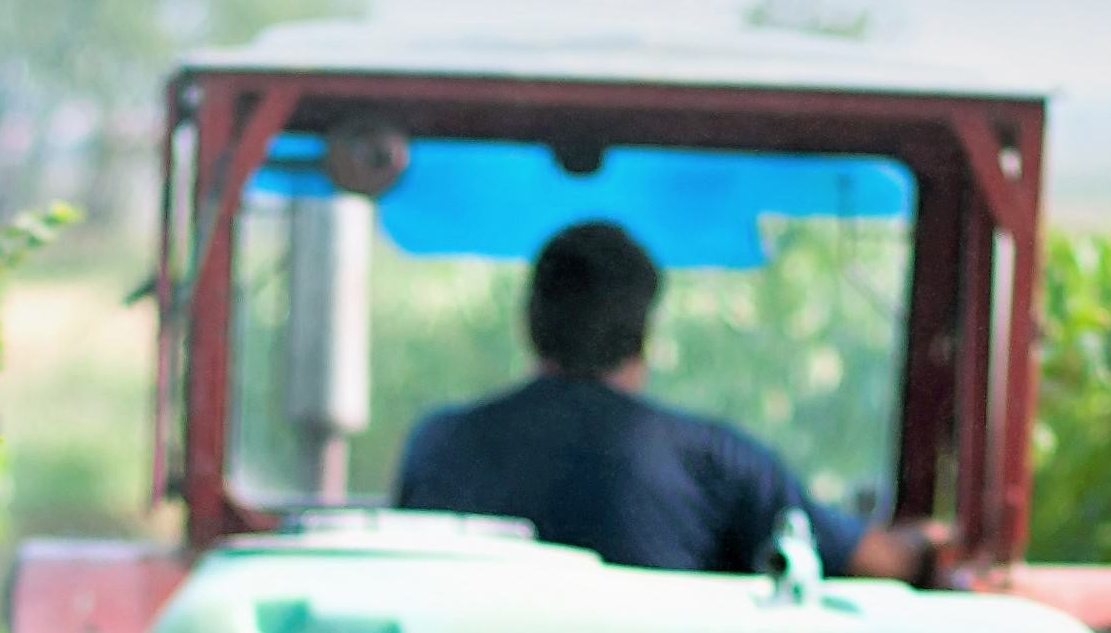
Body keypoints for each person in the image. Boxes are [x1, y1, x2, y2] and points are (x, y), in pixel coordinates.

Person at [391, 218, 950, 581]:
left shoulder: (438, 446)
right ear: (645, 335)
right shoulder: (717, 463)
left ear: (530, 325)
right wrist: (933, 546)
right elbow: (876, 563)